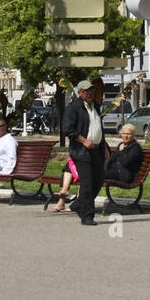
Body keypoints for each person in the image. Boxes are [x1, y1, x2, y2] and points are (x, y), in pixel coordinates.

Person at [63, 80, 104, 226]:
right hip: (81, 152)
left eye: (92, 90)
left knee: (98, 180)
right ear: (80, 92)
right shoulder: (73, 108)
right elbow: (68, 129)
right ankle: (87, 216)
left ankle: (78, 204)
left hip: (96, 150)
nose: (90, 93)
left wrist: (104, 147)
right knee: (87, 184)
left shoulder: (96, 107)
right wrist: (83, 140)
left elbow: (99, 128)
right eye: (86, 91)